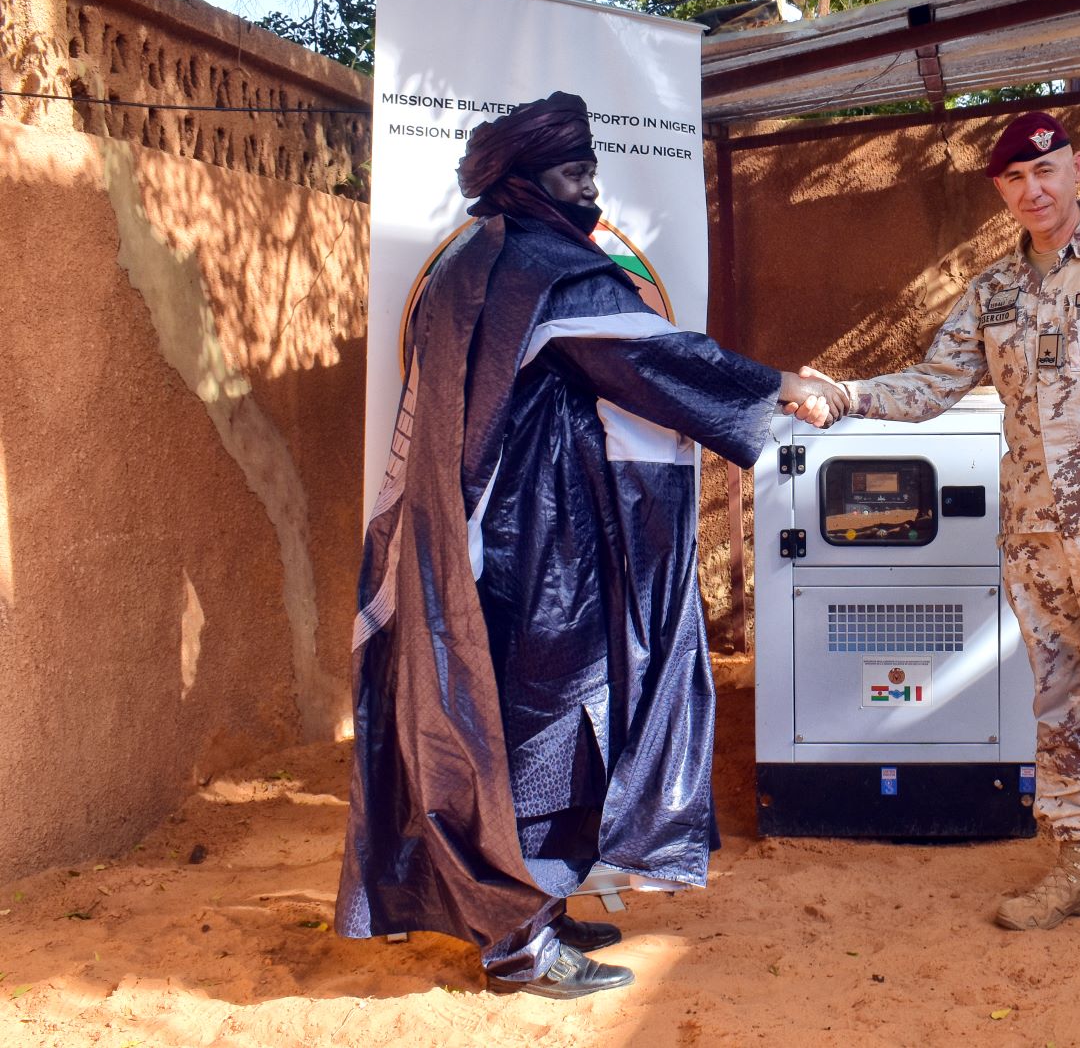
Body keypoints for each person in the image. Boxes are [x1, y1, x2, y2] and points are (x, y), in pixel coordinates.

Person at [337, 91, 839, 998]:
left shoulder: (479, 262)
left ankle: (543, 904)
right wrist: (781, 386)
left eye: (592, 169)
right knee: (537, 728)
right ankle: (520, 946)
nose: (592, 190)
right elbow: (652, 360)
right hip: (536, 551)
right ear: (524, 180)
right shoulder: (545, 269)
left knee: (552, 725)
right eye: (575, 173)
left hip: (509, 543)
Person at [797, 111, 1080, 950]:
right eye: (1013, 180)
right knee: (1060, 707)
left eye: (1046, 172)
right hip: (1036, 538)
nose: (1033, 190)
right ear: (1001, 191)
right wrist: (845, 395)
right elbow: (932, 384)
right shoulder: (994, 290)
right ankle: (1078, 868)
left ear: (1077, 167)